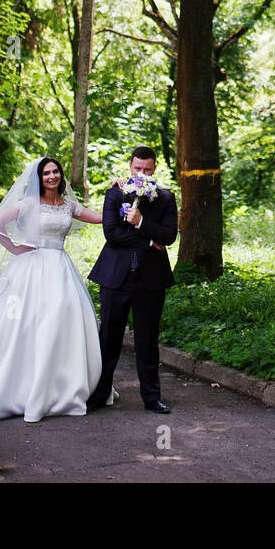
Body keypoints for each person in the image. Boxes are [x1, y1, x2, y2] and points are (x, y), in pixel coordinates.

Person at [0, 157, 105, 423]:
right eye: (46, 173)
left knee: (59, 323)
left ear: (61, 175)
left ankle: (59, 388)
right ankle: (15, 389)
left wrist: (124, 196)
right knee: (20, 326)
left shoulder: (68, 204)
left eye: (55, 171)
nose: (51, 176)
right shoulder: (29, 203)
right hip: (32, 268)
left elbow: (100, 218)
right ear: (38, 177)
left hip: (60, 268)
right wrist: (14, 247)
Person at [87, 146, 178, 414]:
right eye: (138, 168)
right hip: (115, 278)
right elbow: (112, 235)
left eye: (147, 169)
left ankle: (152, 398)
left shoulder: (165, 198)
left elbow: (169, 236)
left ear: (155, 169)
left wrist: (140, 223)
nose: (142, 173)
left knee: (147, 341)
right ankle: (100, 393)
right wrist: (150, 239)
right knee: (109, 339)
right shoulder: (115, 193)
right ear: (130, 166)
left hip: (151, 281)